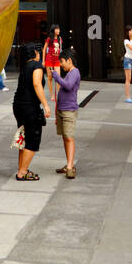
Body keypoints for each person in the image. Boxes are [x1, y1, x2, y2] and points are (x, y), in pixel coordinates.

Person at [12, 42, 50, 180]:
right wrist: (45, 105)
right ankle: (22, 172)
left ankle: (21, 169)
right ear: (35, 53)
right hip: (30, 107)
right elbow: (36, 84)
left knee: (23, 137)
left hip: (18, 106)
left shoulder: (25, 67)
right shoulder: (36, 66)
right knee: (33, 139)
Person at [51, 46, 80, 178]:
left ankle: (70, 166)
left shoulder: (74, 72)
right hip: (62, 109)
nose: (61, 65)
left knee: (69, 137)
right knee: (65, 137)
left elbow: (67, 86)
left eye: (62, 61)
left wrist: (56, 77)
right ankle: (69, 164)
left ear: (69, 60)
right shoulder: (69, 73)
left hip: (69, 110)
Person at [42, 24, 63, 101]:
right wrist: (43, 61)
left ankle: (58, 94)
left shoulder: (60, 39)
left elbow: (60, 51)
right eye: (56, 29)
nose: (58, 30)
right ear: (53, 30)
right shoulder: (49, 38)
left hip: (57, 60)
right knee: (50, 78)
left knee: (58, 78)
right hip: (49, 60)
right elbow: (44, 49)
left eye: (59, 29)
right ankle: (52, 95)